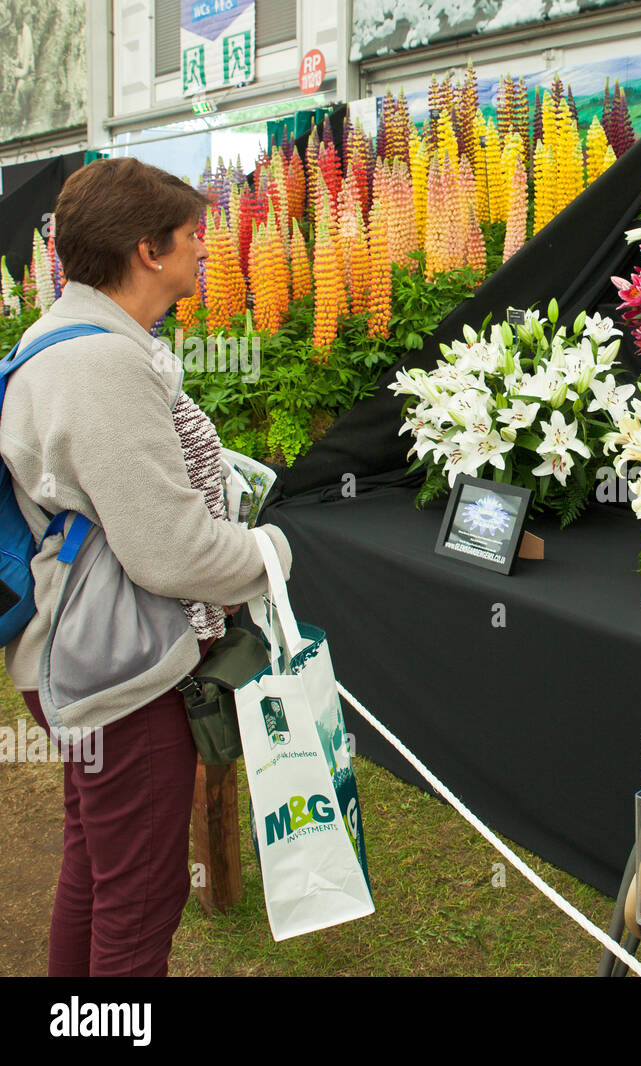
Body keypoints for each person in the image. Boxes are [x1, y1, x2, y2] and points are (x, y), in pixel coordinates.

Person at [0, 157, 295, 977]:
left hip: (84, 657)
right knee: (139, 901)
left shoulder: (73, 336)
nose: (207, 249)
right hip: (121, 676)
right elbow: (170, 551)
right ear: (147, 251)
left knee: (98, 871)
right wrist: (271, 553)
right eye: (193, 235)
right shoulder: (101, 366)